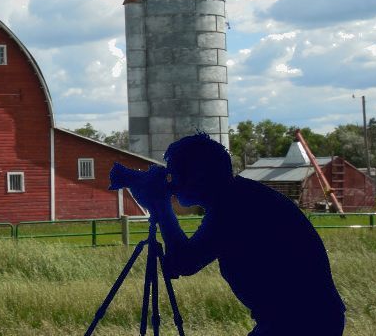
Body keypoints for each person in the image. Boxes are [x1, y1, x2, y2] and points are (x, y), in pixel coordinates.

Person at [123, 133, 345, 335]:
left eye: (176, 174)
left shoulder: (234, 206)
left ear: (199, 175)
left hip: (299, 322)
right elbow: (180, 262)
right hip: (302, 319)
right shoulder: (238, 196)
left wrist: (161, 206)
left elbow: (184, 262)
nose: (172, 183)